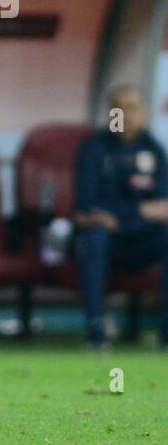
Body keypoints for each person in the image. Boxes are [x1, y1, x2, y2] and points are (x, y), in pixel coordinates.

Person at [73, 86, 168, 349]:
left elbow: (161, 207)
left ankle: (166, 333)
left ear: (144, 113)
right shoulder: (94, 149)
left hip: (141, 238)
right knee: (94, 236)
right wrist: (140, 211)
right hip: (107, 240)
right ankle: (96, 331)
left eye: (132, 108)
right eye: (119, 108)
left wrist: (125, 216)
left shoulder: (154, 150)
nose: (125, 114)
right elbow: (87, 205)